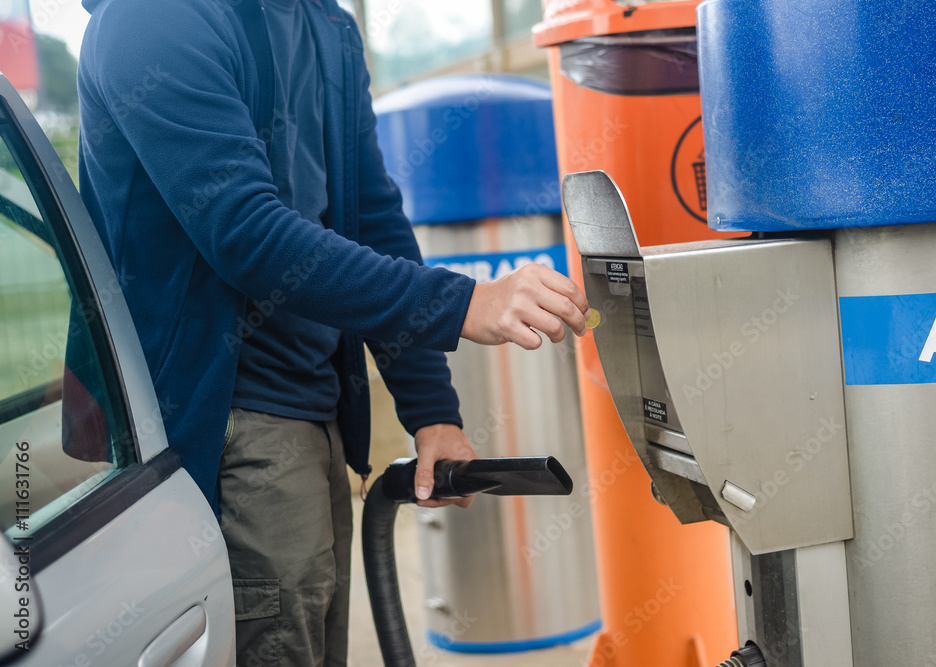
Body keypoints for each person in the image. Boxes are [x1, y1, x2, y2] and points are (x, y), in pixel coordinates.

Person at [76, 0, 590, 664]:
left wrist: (431, 408)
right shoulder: (154, 19)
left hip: (314, 409)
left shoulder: (323, 25)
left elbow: (370, 215)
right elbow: (244, 232)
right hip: (221, 425)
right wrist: (464, 303)